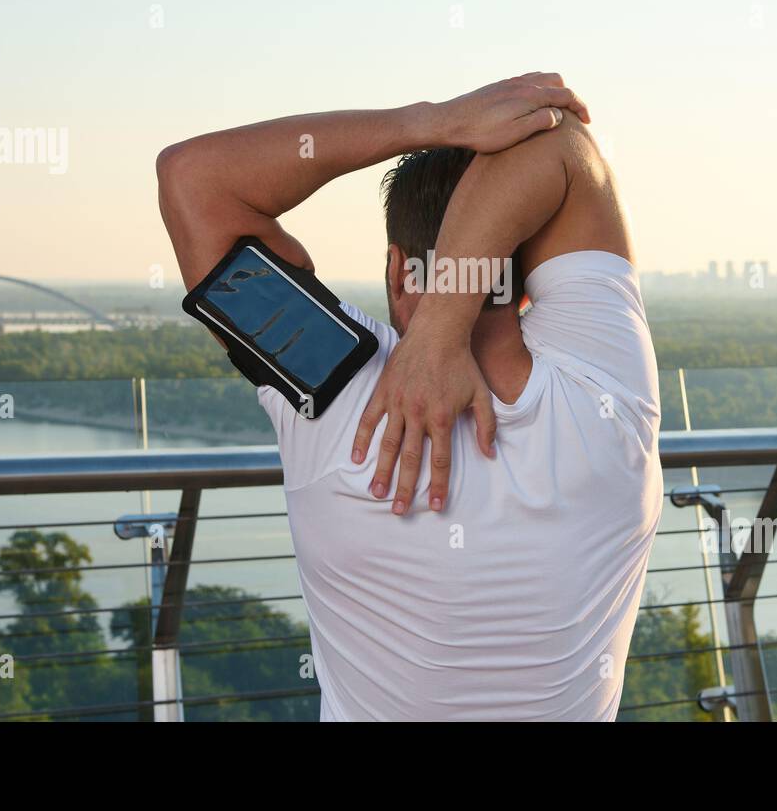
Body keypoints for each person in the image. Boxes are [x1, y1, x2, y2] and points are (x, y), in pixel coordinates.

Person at [157, 73, 662, 720]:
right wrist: (447, 326)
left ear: (398, 270)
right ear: (532, 276)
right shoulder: (605, 391)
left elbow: (191, 178)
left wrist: (431, 121)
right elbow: (561, 141)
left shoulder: (337, 390)